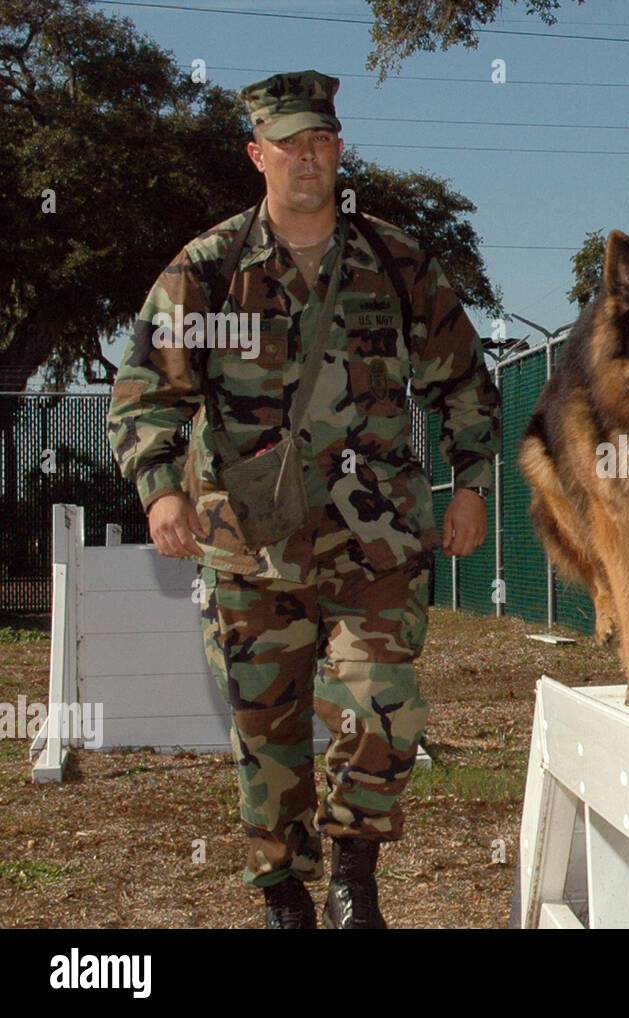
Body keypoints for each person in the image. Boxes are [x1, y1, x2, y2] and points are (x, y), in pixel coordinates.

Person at [106, 70, 501, 928]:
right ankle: (284, 890)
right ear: (258, 156)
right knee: (265, 726)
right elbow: (144, 392)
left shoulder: (396, 264)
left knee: (382, 701)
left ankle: (355, 875)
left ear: (339, 149)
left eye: (321, 141)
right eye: (289, 144)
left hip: (378, 538)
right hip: (249, 543)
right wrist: (158, 491)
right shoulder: (207, 271)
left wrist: (471, 484)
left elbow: (465, 381)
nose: (308, 158)